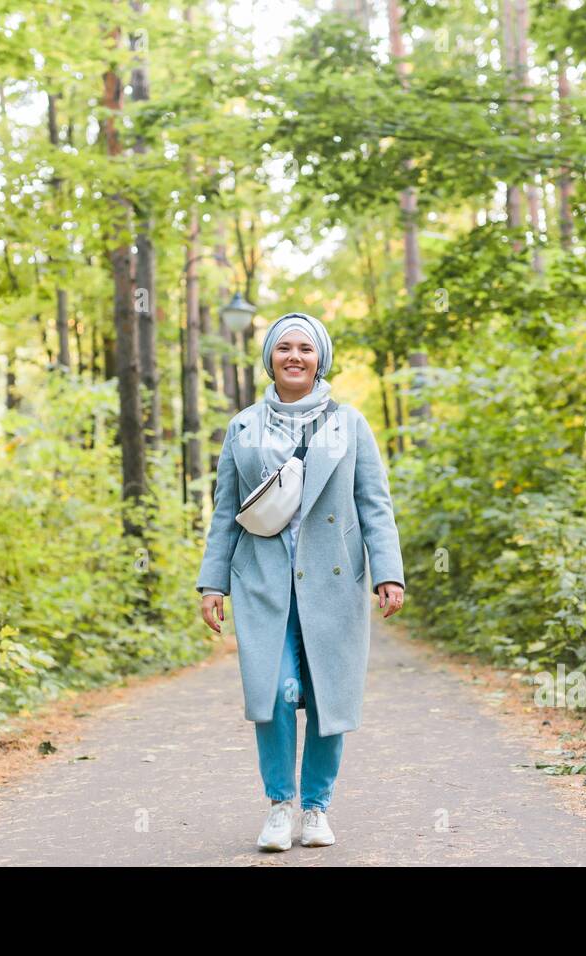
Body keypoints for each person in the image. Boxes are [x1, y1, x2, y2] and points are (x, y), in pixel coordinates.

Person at [196, 311, 405, 852]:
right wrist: (211, 582)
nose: (295, 356)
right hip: (263, 581)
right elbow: (225, 511)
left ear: (320, 359)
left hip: (333, 580)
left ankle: (316, 808)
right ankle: (279, 805)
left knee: (327, 694)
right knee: (274, 692)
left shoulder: (350, 423)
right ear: (270, 357)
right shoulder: (243, 425)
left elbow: (374, 504)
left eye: (305, 349)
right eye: (284, 347)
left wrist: (388, 572)